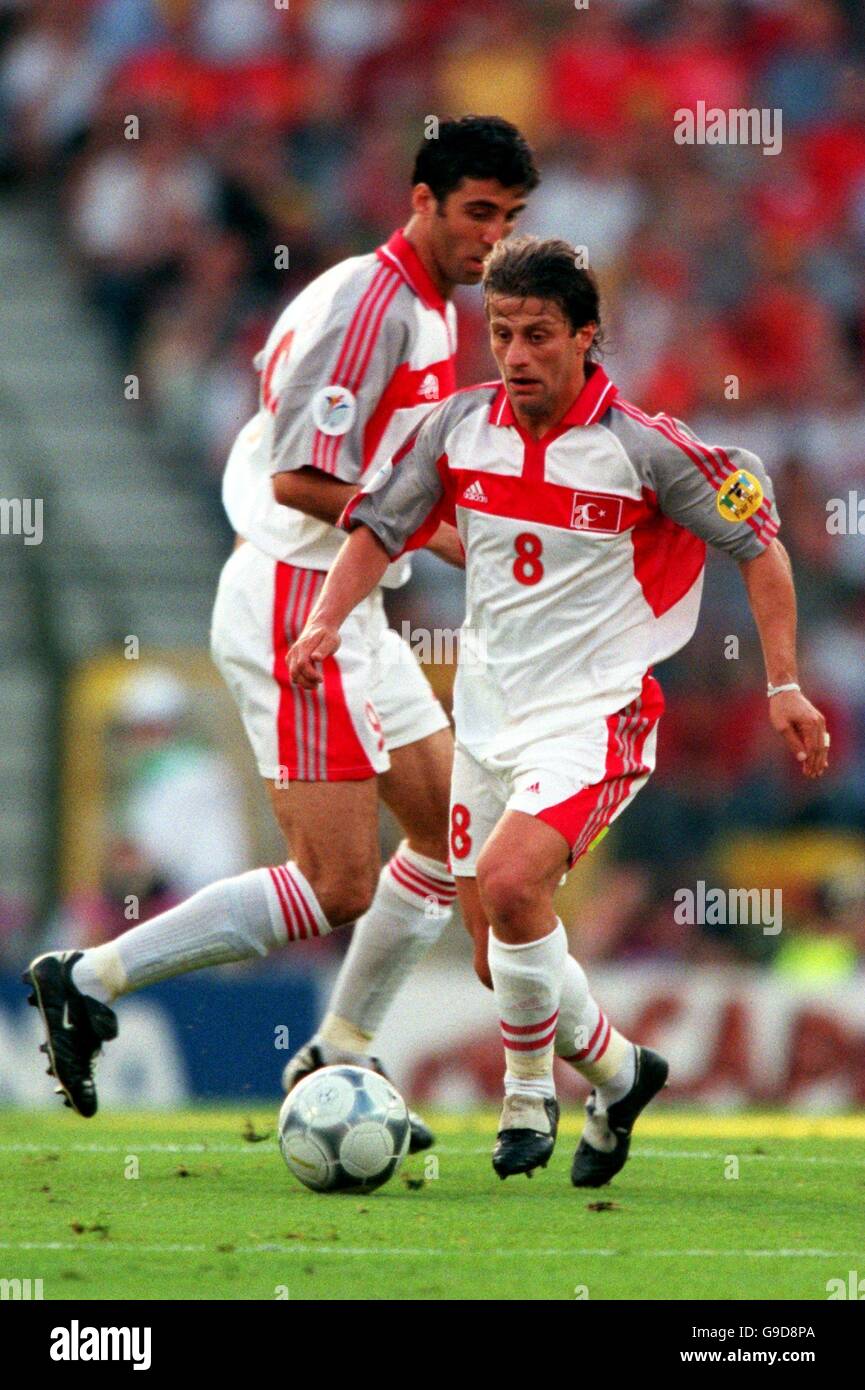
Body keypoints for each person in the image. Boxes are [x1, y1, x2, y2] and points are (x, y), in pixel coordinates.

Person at [23, 119, 539, 1142]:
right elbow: (296, 475)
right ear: (422, 200)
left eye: (511, 218)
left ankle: (342, 1046)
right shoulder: (376, 306)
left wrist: (434, 530)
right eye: (478, 212)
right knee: (339, 881)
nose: (493, 236)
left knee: (446, 827)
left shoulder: (425, 306)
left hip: (352, 601)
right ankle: (87, 976)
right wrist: (422, 531)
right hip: (295, 600)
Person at [287, 235, 830, 1184]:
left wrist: (781, 683)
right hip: (489, 722)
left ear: (586, 338)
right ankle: (622, 1074)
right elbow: (379, 527)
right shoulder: (457, 429)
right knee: (500, 958)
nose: (517, 353)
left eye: (538, 334)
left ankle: (527, 1095)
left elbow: (761, 547)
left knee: (508, 886)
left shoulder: (643, 451)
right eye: (501, 333)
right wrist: (325, 622)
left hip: (597, 715)